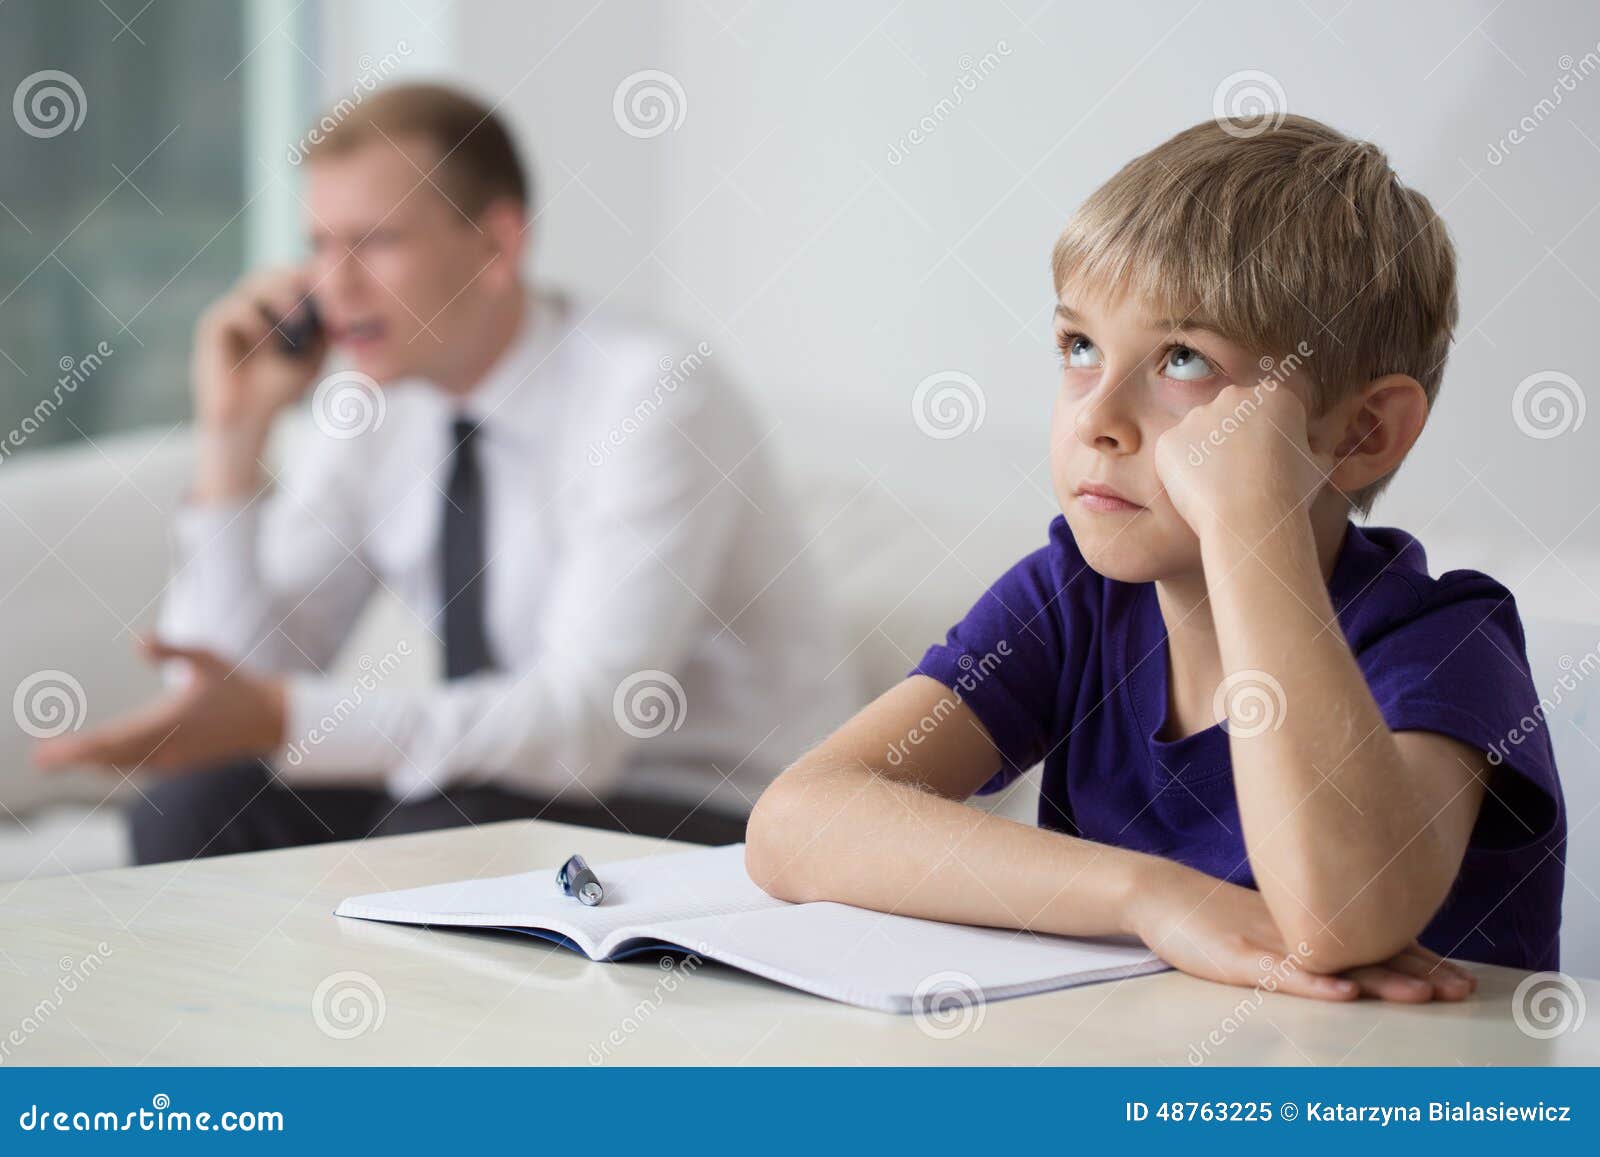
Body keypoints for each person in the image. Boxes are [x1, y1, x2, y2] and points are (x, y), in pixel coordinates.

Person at [745, 114, 1565, 1003]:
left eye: (1182, 358)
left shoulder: (1443, 643)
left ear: (1361, 432)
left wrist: (1251, 529)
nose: (1097, 414)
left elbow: (1341, 918)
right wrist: (1149, 895)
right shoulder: (1075, 598)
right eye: (1080, 347)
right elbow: (796, 822)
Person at [34, 83, 850, 860]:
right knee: (195, 806)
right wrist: (233, 433)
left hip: (718, 802)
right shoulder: (375, 404)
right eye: (319, 245)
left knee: (439, 832)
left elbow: (582, 732)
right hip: (502, 786)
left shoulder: (656, 396)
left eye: (376, 241)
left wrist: (286, 717)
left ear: (497, 246)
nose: (334, 286)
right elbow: (217, 698)